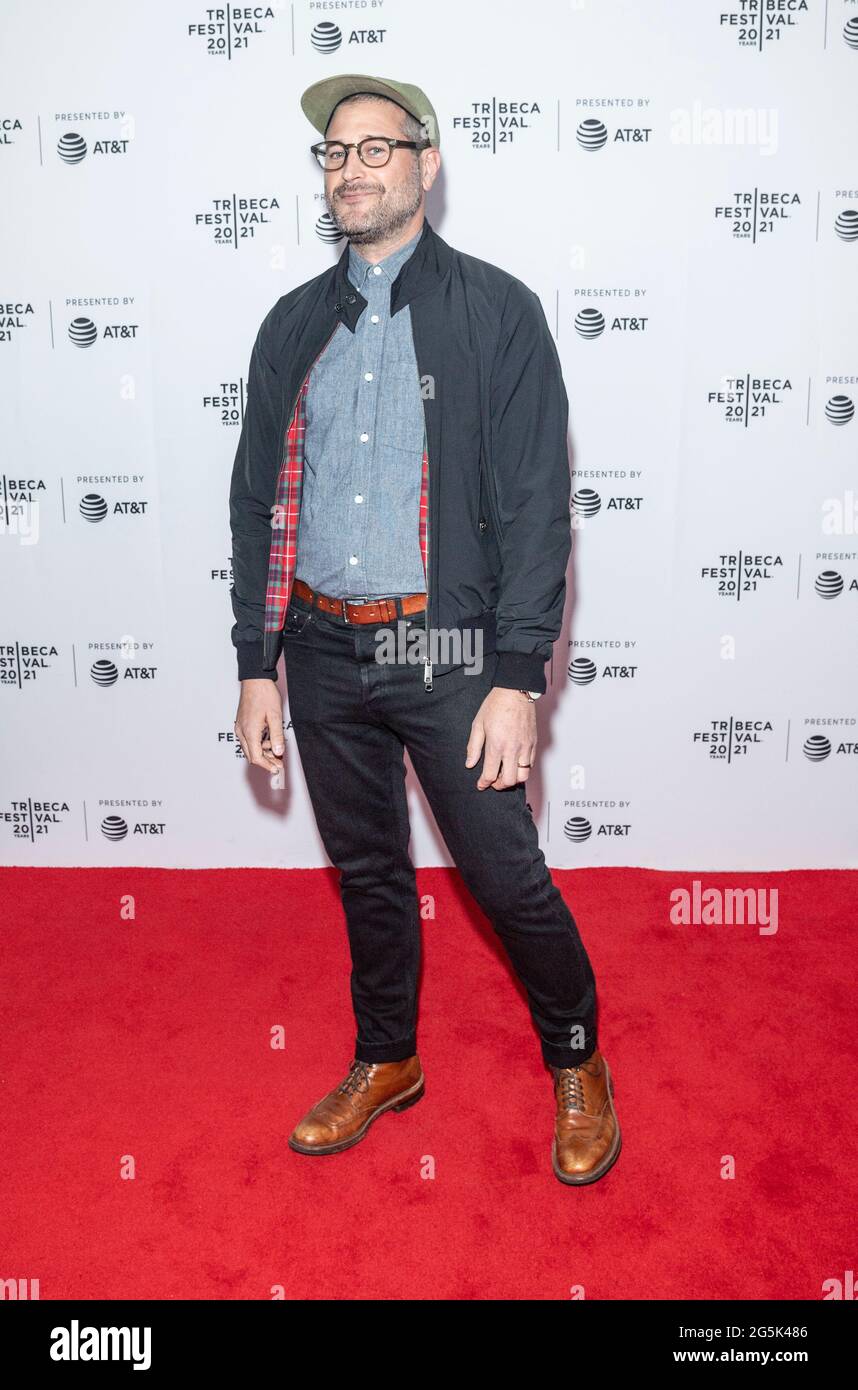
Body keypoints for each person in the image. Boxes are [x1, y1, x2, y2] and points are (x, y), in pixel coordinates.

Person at [229, 74, 621, 1185]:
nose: (352, 169)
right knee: (367, 870)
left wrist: (516, 673)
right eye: (334, 154)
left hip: (442, 647)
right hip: (319, 643)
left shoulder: (496, 310)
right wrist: (257, 663)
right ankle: (387, 1057)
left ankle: (578, 1056)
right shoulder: (295, 322)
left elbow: (541, 503)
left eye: (375, 149)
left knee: (503, 877)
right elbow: (256, 499)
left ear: (426, 164)